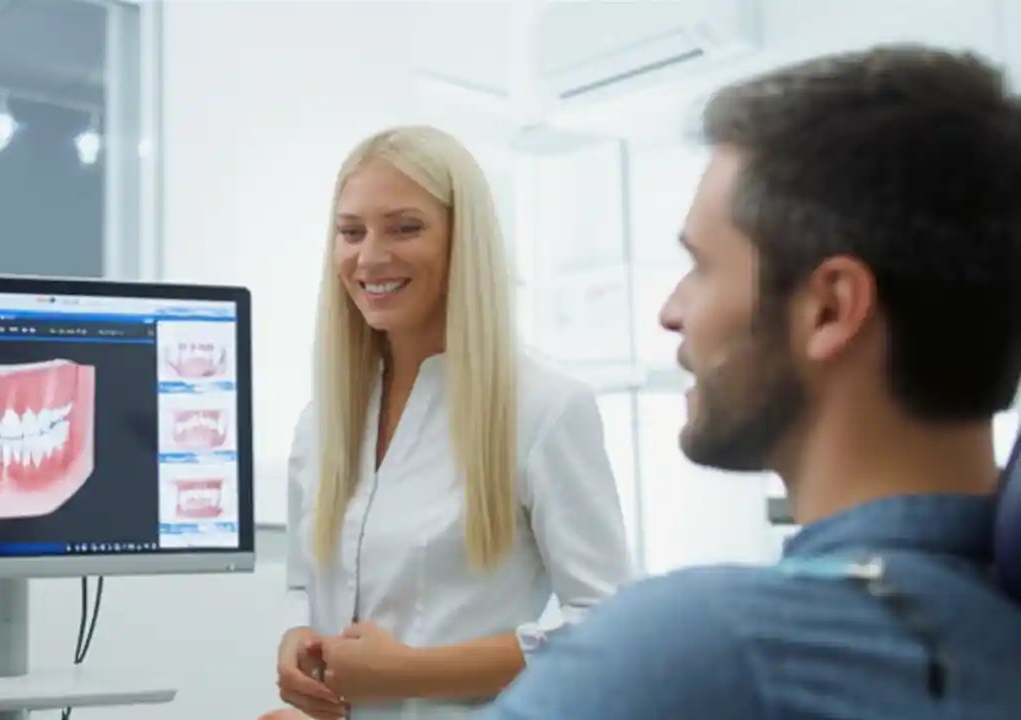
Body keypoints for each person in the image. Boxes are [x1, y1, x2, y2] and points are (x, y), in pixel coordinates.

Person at [479, 44, 1021, 719]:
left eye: (701, 266)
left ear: (829, 308)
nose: (672, 311)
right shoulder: (990, 631)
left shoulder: (707, 652)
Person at [264, 125, 632, 720]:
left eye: (405, 228)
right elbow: (305, 586)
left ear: (464, 241)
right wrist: (297, 646)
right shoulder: (321, 422)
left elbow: (611, 628)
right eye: (351, 232)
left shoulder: (545, 407)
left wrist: (411, 673)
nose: (370, 256)